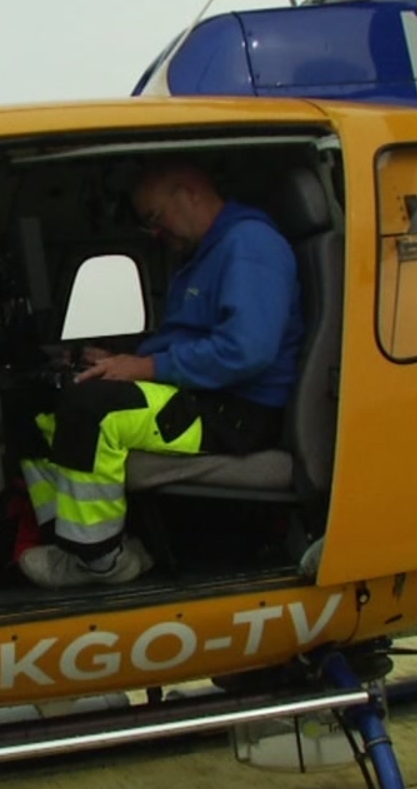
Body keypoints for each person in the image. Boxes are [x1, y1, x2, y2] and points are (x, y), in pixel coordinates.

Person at [16, 161, 304, 588]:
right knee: (34, 403)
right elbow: (182, 339)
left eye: (154, 218)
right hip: (203, 396)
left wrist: (146, 367)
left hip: (239, 412)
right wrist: (118, 357)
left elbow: (247, 351)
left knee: (91, 409)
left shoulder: (250, 245)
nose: (154, 232)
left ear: (190, 191)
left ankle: (97, 561)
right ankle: (67, 535)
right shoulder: (203, 255)